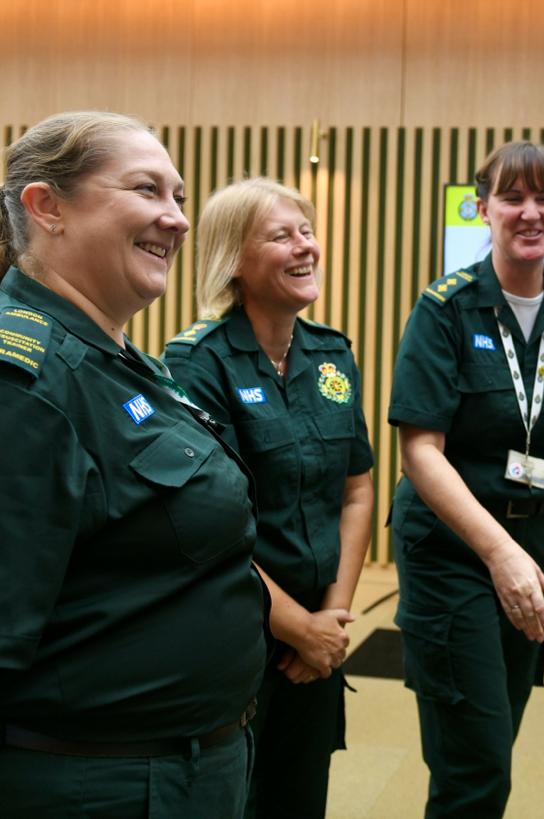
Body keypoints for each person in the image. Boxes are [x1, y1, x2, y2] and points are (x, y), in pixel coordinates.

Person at [0, 112, 267, 817]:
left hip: (187, 767)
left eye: (179, 196)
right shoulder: (23, 380)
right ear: (47, 207)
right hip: (99, 783)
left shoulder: (120, 359)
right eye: (147, 190)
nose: (177, 219)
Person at [388, 140, 544, 817]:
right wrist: (498, 552)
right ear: (481, 208)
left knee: (496, 738)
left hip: (536, 550)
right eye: (513, 198)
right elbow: (420, 452)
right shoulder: (447, 309)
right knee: (477, 764)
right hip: (451, 552)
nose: (530, 213)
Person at [163, 177, 374, 819]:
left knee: (302, 796)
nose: (304, 246)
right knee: (236, 799)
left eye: (306, 231)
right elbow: (208, 527)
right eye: (282, 236)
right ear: (235, 260)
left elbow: (357, 490)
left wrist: (332, 620)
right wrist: (299, 629)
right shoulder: (197, 363)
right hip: (240, 633)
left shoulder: (332, 355)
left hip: (320, 631)